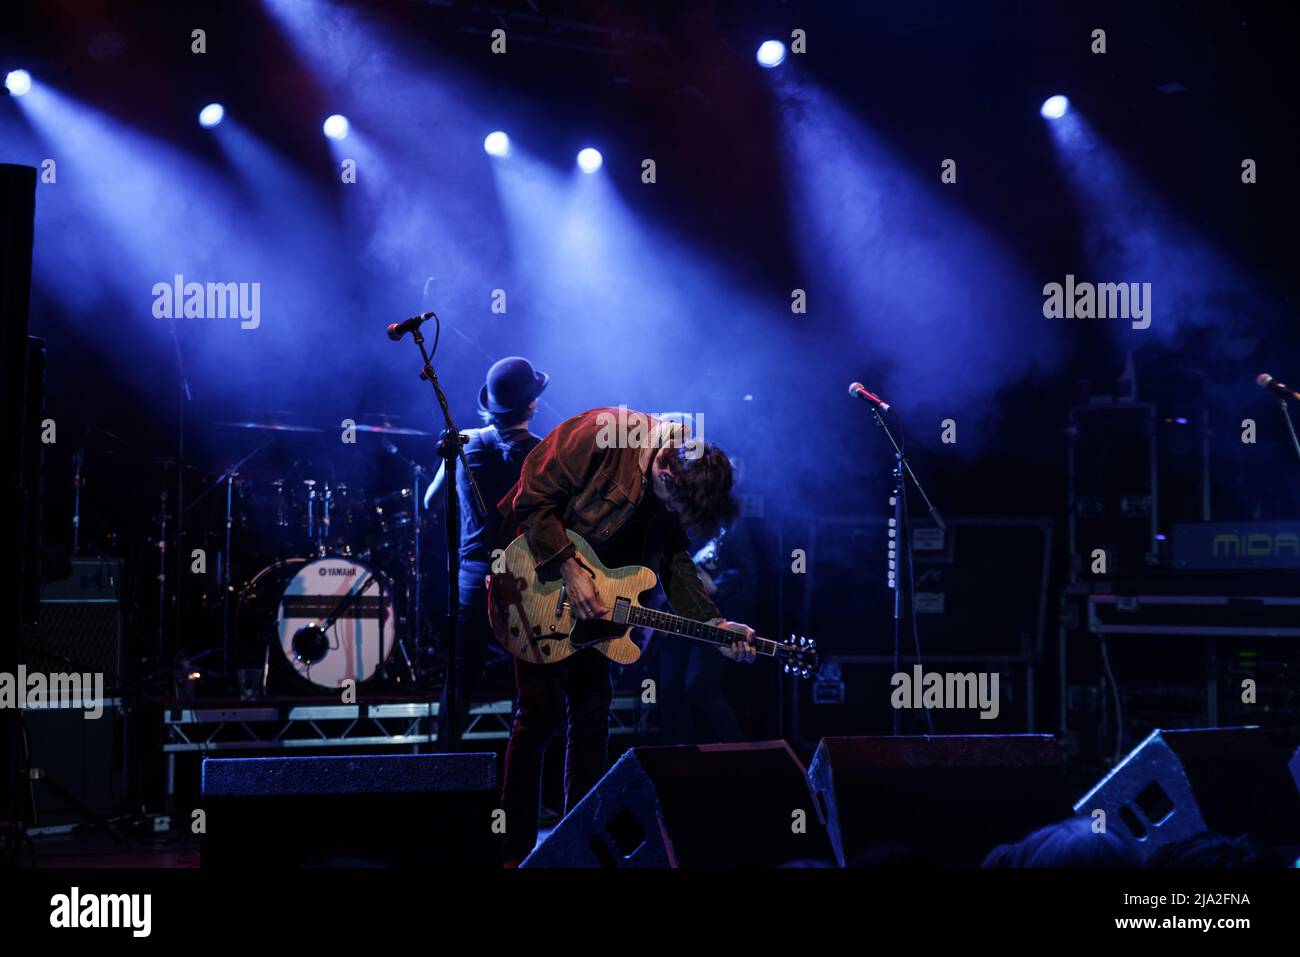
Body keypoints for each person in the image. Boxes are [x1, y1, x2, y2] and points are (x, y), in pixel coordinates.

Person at [494, 406, 757, 865]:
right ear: (662, 467)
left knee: (593, 714)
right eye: (671, 503)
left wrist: (713, 625)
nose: (671, 512)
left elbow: (674, 560)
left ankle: (576, 847)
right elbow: (531, 499)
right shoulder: (602, 432)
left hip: (603, 597)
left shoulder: (680, 476)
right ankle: (512, 853)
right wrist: (569, 569)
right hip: (538, 581)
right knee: (538, 715)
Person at [424, 356, 548, 750]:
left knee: (461, 678)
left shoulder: (463, 443)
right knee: (526, 681)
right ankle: (523, 783)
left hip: (474, 577)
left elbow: (430, 501)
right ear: (532, 404)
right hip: (523, 580)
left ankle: (440, 775)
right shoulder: (542, 455)